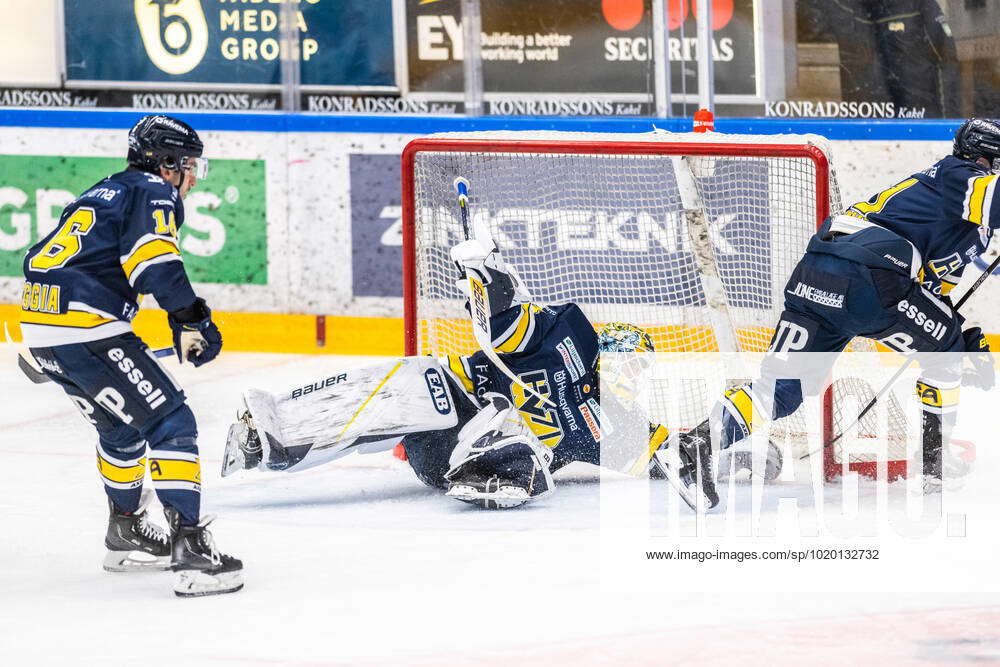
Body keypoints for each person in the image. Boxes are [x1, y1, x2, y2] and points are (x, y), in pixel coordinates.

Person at [222, 219, 781, 511]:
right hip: (447, 422)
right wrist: (487, 280)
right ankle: (277, 434)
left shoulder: (615, 428)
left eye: (640, 368)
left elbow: (671, 457)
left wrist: (742, 457)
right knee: (418, 382)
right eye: (630, 359)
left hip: (473, 464)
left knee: (516, 440)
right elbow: (500, 331)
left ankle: (490, 472)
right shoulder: (569, 333)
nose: (633, 373)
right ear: (609, 346)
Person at [674, 117, 1000, 508]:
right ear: (989, 159)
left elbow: (930, 298)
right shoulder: (957, 174)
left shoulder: (961, 223)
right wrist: (954, 347)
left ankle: (694, 447)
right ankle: (934, 466)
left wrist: (959, 336)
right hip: (870, 272)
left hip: (817, 271)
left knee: (780, 389)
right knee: (944, 359)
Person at [19, 115, 242, 596]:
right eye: (188, 166)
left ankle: (126, 532)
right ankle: (192, 549)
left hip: (40, 326)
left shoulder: (104, 189)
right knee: (171, 421)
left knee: (120, 428)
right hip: (84, 327)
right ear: (166, 163)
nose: (190, 178)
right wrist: (191, 318)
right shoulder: (152, 190)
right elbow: (155, 264)